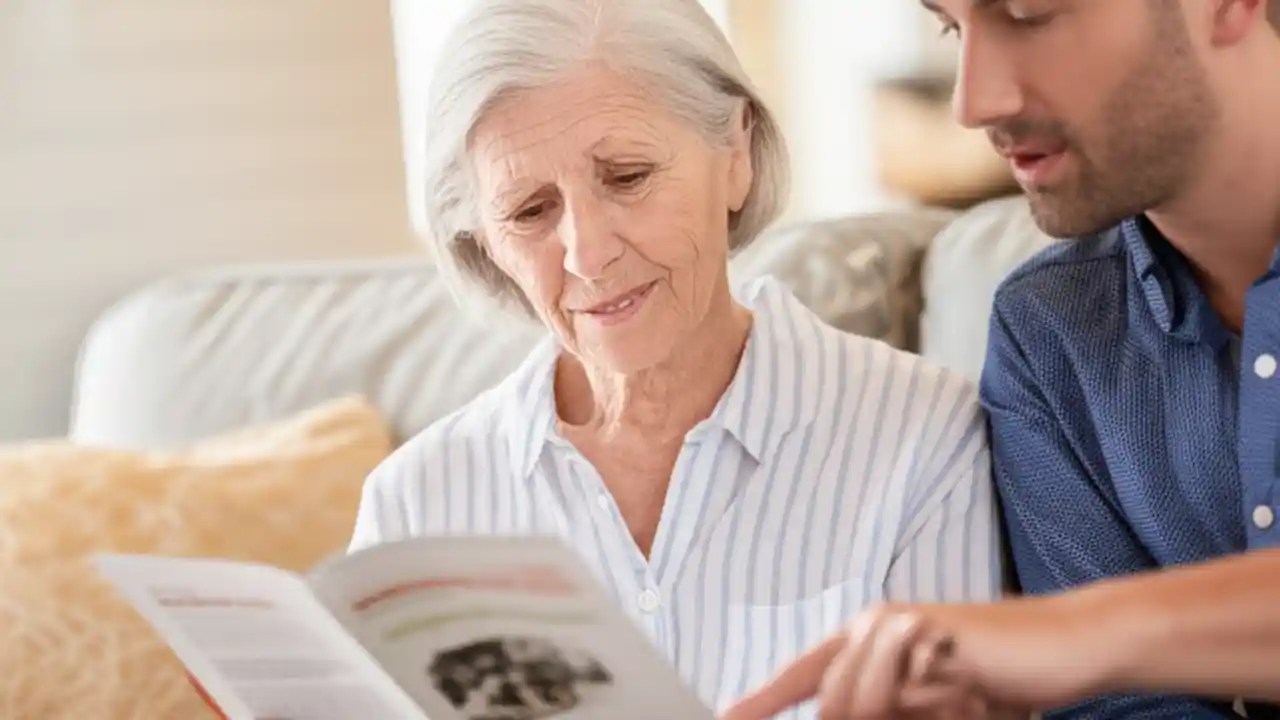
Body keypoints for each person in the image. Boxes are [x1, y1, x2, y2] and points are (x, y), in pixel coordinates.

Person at [346, 0, 1002, 716]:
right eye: (530, 211)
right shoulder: (414, 502)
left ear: (736, 157)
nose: (588, 254)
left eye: (627, 176)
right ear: (486, 245)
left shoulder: (924, 434)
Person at [723, 0, 1280, 718]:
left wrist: (1072, 635)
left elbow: (1077, 651)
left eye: (1030, 13)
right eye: (951, 28)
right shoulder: (1050, 334)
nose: (973, 102)